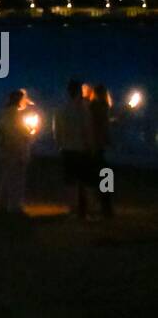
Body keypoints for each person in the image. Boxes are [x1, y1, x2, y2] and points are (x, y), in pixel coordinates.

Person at [53, 79, 94, 219]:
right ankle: (85, 210)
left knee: (70, 181)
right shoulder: (83, 109)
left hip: (67, 149)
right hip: (81, 149)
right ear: (78, 91)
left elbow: (56, 130)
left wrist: (59, 145)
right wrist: (90, 145)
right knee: (85, 180)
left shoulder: (61, 108)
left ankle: (72, 209)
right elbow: (87, 129)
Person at [0, 89, 34, 216]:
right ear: (18, 101)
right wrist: (31, 132)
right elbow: (25, 134)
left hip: (3, 150)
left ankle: (1, 206)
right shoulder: (17, 116)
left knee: (5, 178)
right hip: (16, 151)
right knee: (16, 180)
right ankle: (15, 207)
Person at [88, 84, 114, 219]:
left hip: (96, 145)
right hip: (99, 145)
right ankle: (105, 206)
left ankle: (103, 206)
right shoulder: (101, 106)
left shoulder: (96, 106)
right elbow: (101, 125)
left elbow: (98, 125)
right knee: (105, 175)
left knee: (101, 175)